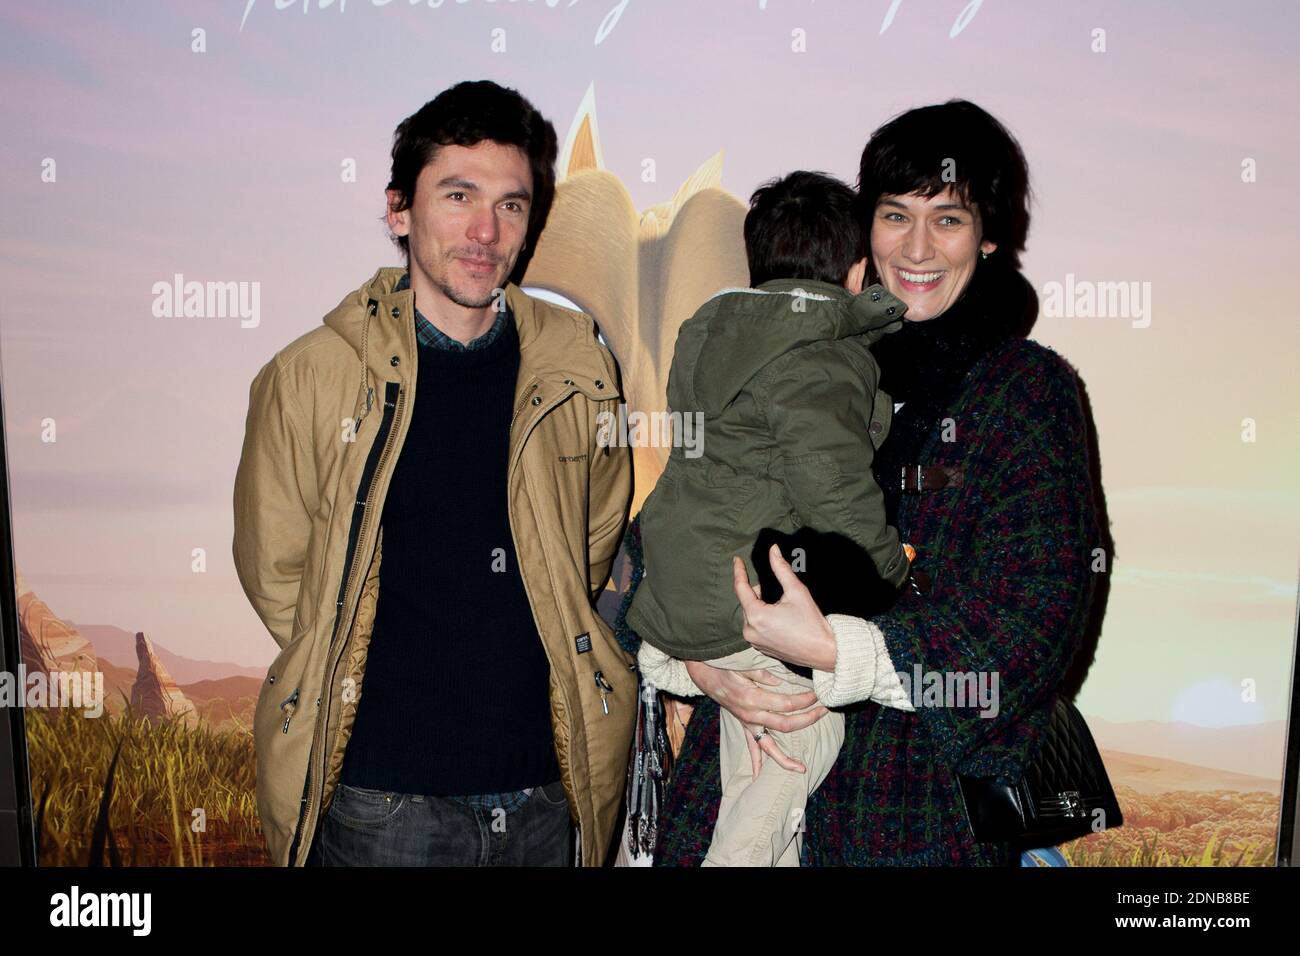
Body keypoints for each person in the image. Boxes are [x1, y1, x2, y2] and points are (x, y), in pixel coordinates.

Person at [650, 100, 1102, 866]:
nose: (917, 247)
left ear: (989, 237)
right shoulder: (796, 354)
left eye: (949, 219)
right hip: (745, 778)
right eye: (895, 215)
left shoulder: (1024, 391)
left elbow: (1035, 627)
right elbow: (673, 524)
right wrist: (693, 663)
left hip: (914, 815)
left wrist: (841, 650)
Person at [232, 80, 634, 867]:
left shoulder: (578, 367)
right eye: (458, 195)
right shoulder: (311, 376)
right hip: (382, 801)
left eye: (511, 205)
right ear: (399, 211)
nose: (486, 230)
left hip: (544, 794)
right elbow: (278, 574)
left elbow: (591, 540)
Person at [627, 171, 913, 866]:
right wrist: (888, 576)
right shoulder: (821, 357)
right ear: (854, 272)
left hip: (684, 592)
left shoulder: (708, 339)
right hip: (747, 600)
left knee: (752, 756)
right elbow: (833, 489)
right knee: (805, 739)